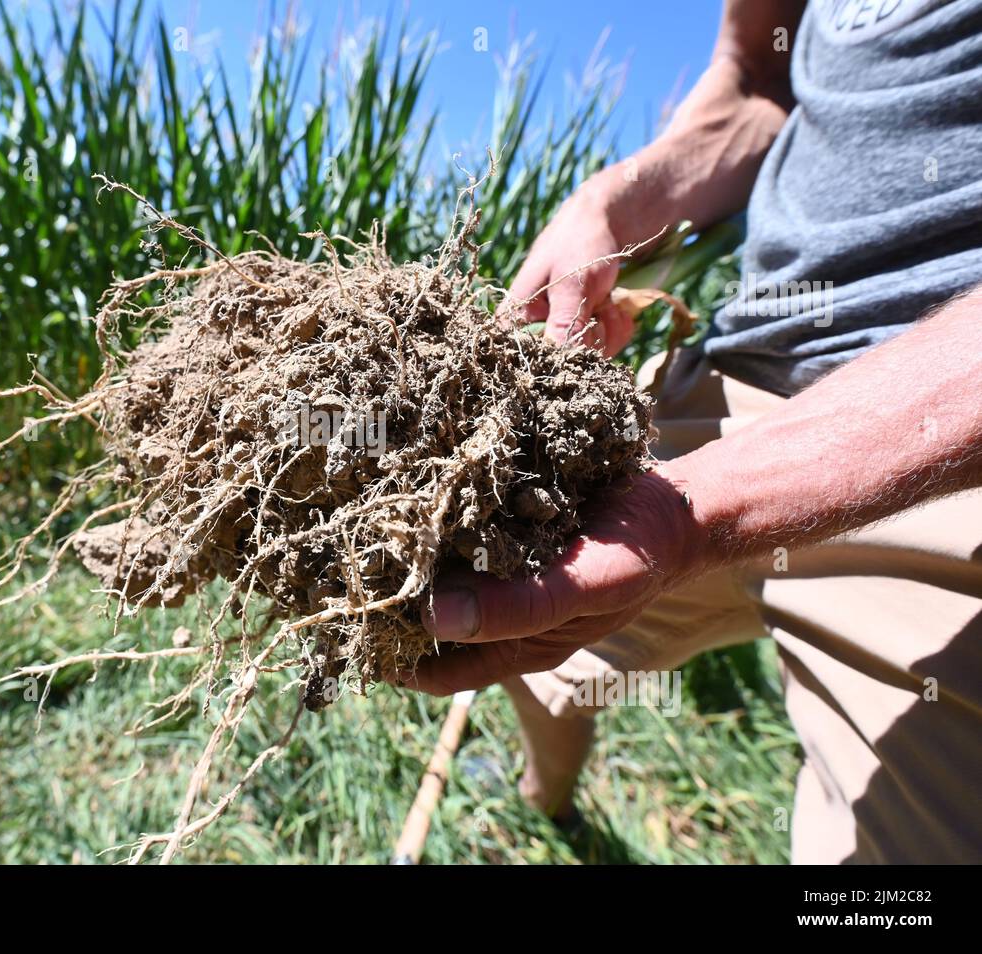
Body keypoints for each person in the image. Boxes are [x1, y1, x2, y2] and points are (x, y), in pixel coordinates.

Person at [404, 0, 982, 863]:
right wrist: (617, 198)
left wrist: (701, 511)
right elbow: (758, 83)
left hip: (946, 463)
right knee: (524, 638)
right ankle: (544, 801)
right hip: (728, 380)